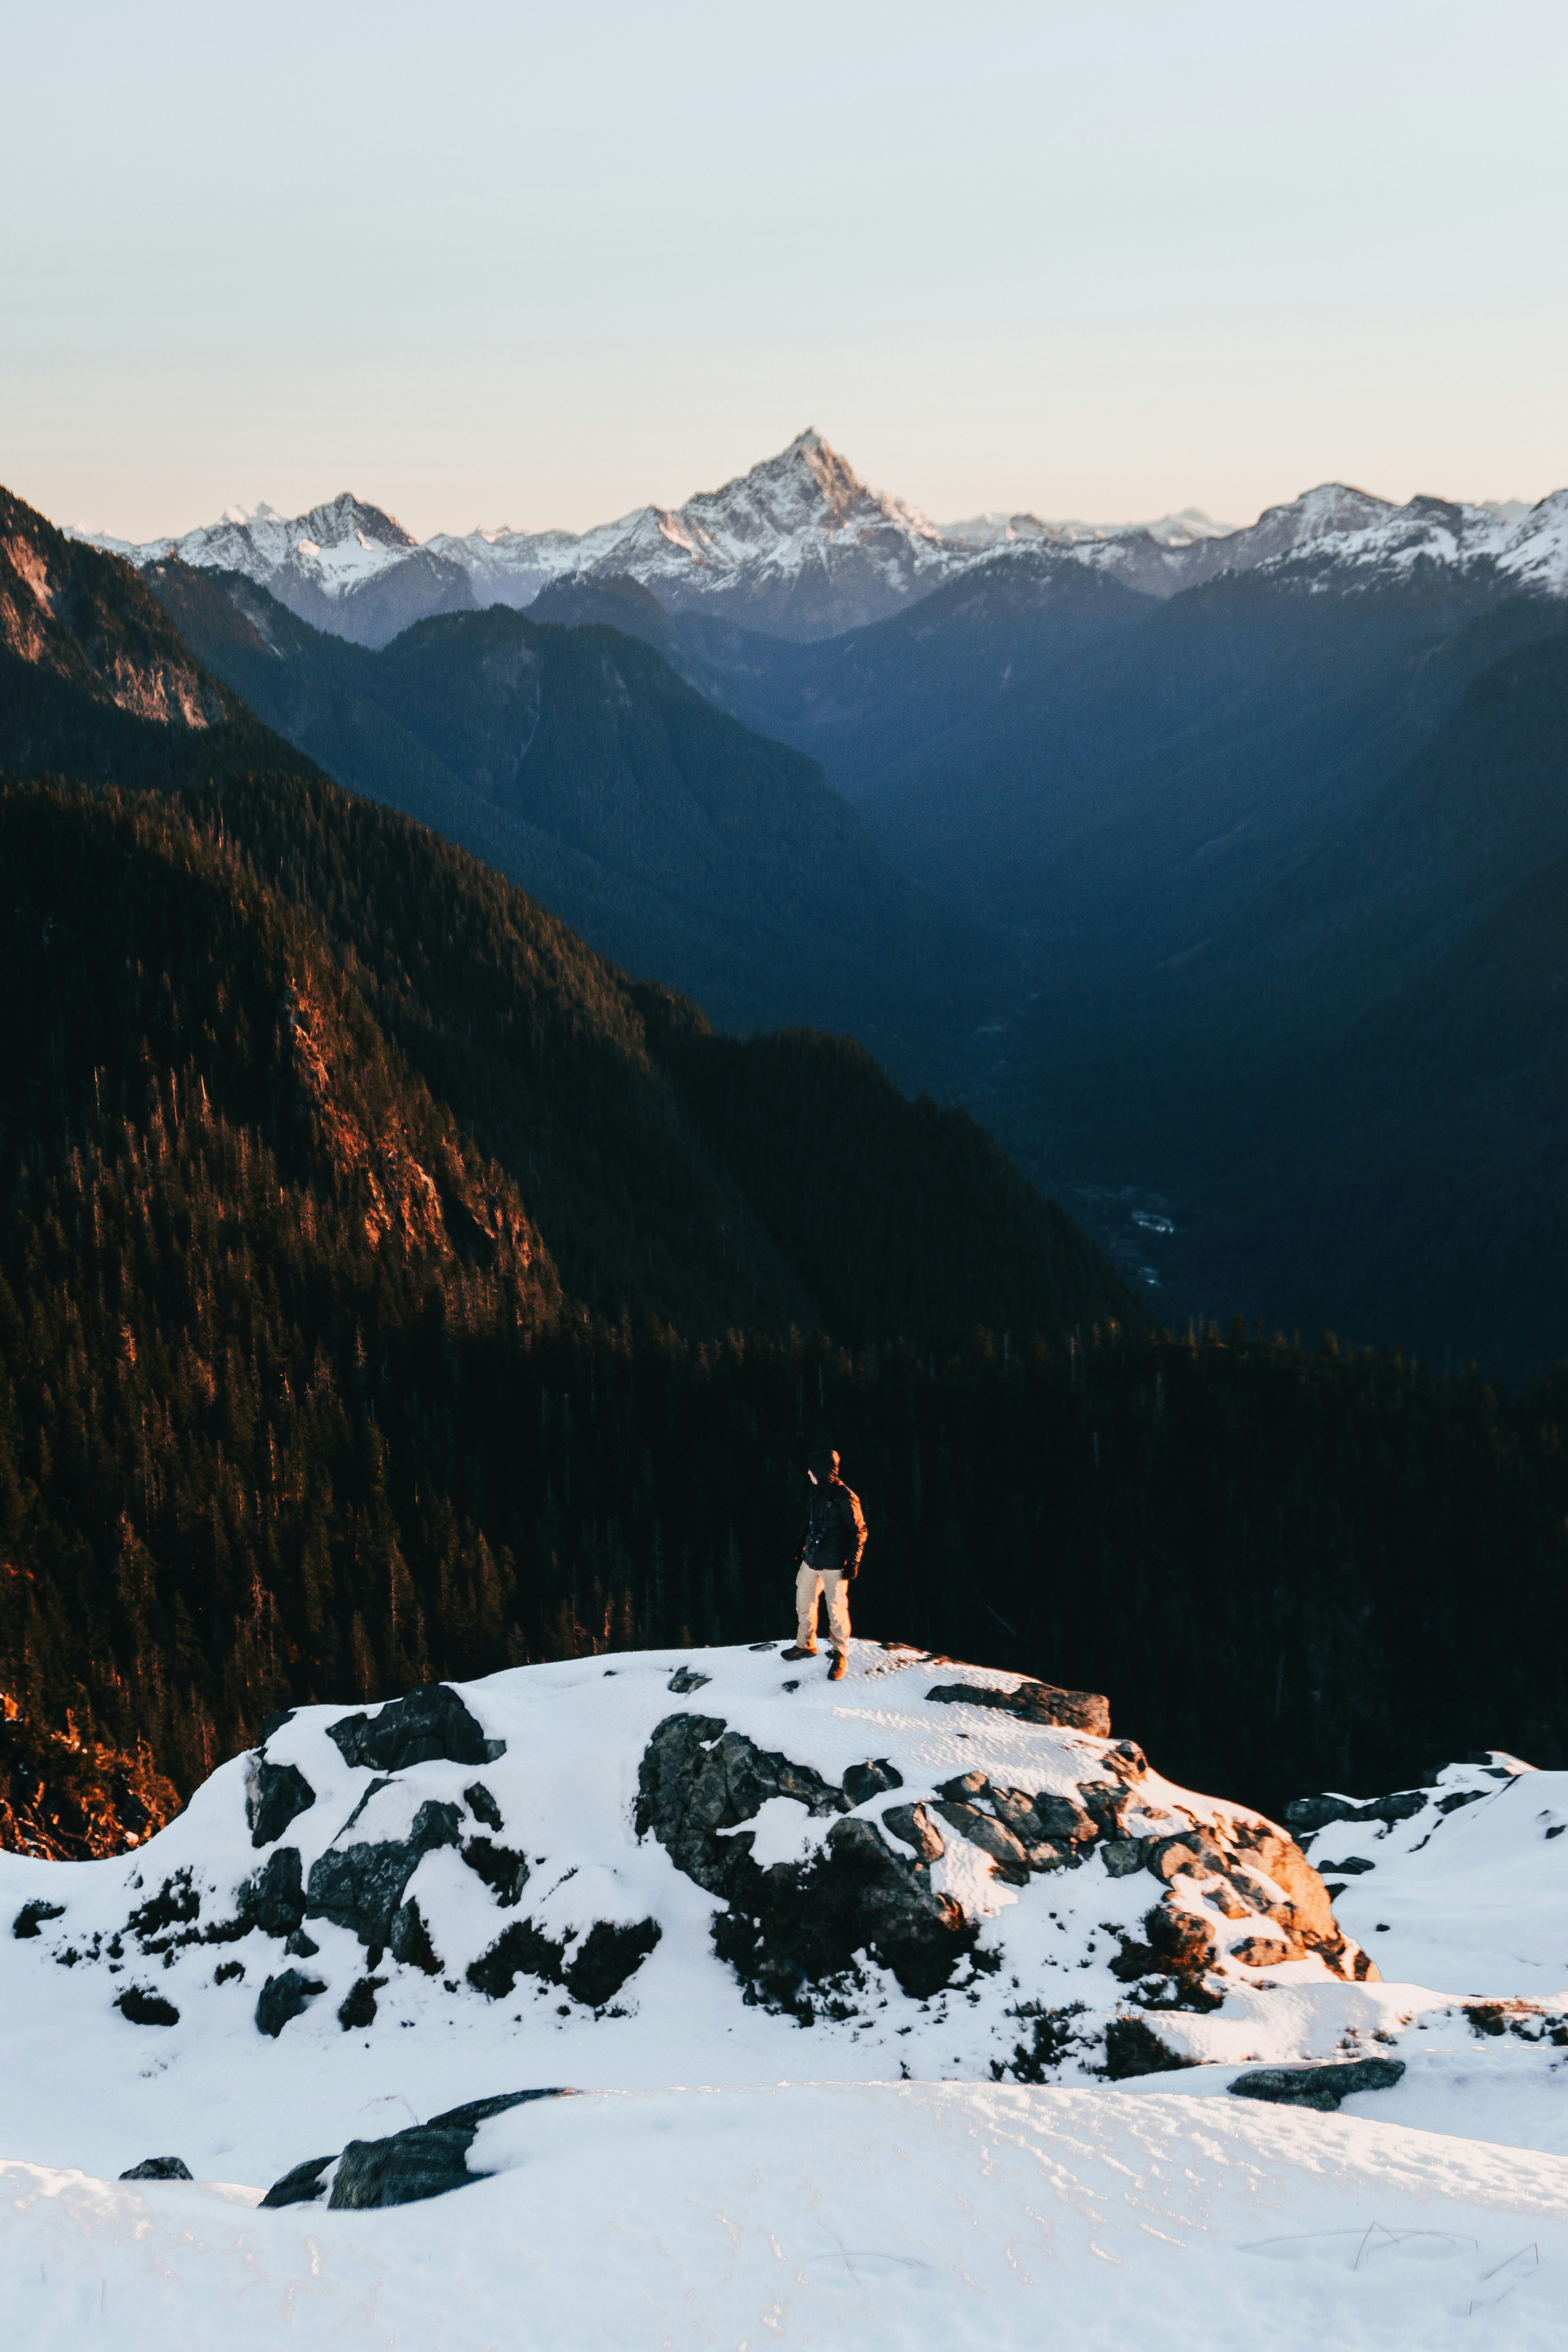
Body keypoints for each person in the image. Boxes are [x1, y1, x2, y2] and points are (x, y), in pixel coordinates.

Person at [782, 1446, 866, 1681]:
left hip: (835, 1565)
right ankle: (806, 1645)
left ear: (822, 1471)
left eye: (811, 1470)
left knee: (836, 1610)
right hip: (812, 1560)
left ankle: (840, 1653)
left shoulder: (845, 1498)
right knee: (804, 1604)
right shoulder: (817, 1494)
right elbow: (810, 1524)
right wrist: (800, 1547)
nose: (808, 1473)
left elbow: (859, 1531)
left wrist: (853, 1562)